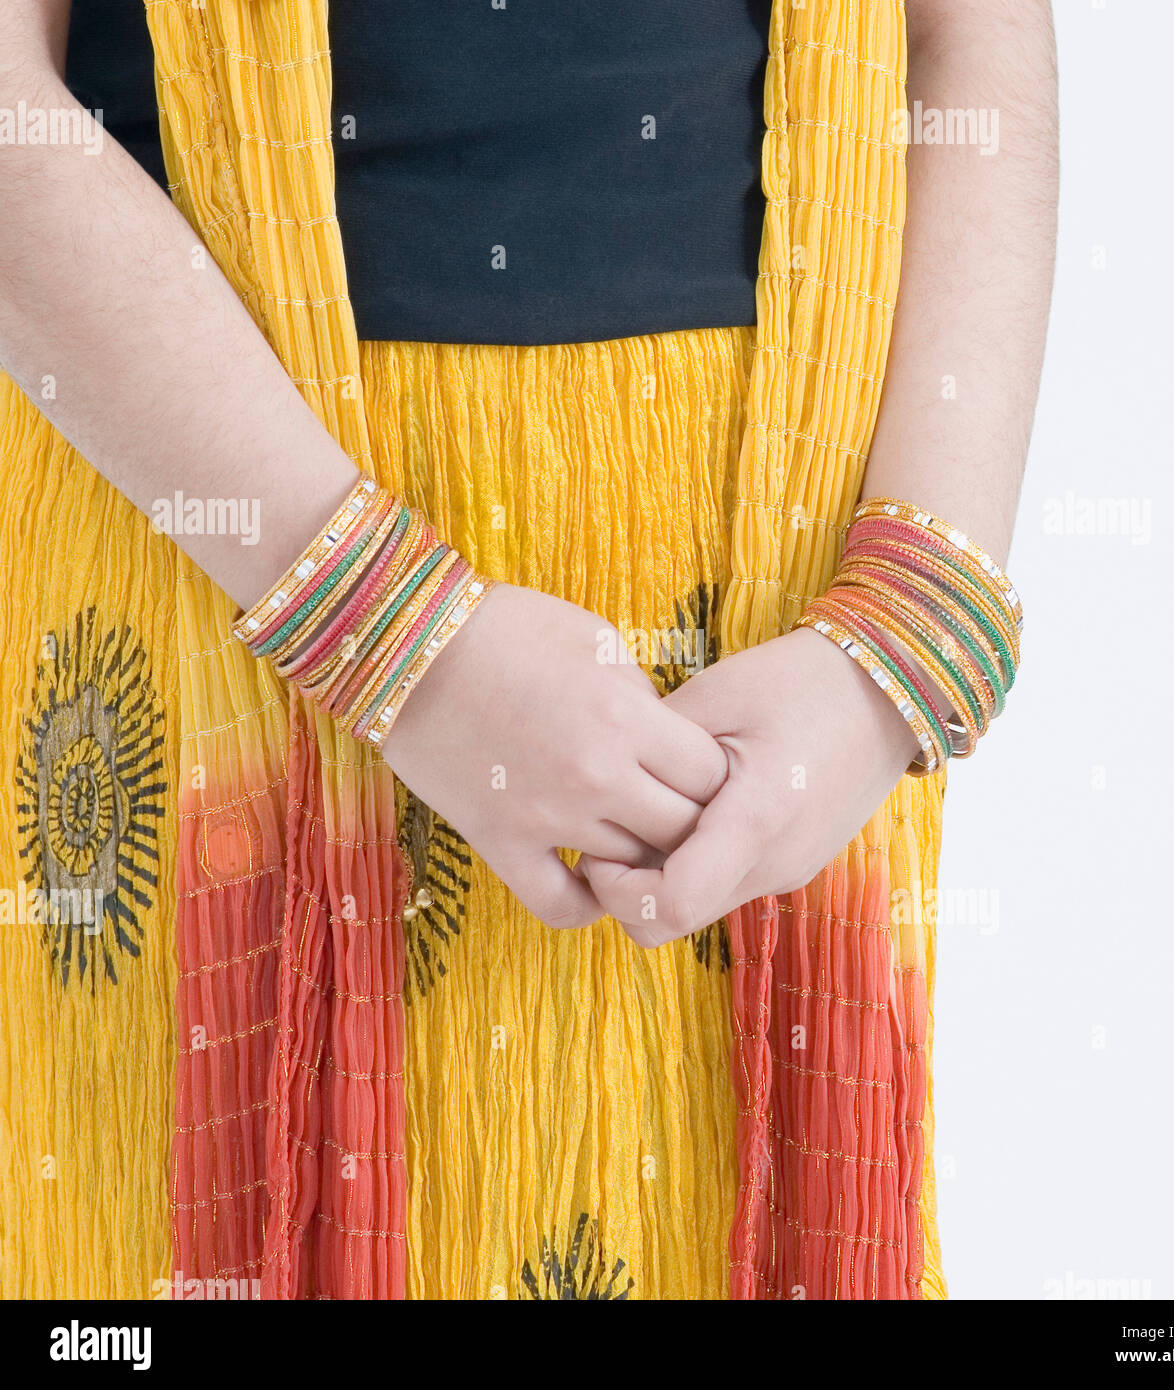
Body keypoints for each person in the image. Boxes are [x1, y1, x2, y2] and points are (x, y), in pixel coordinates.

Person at [0, 0, 1057, 1299]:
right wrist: (399, 640)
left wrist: (894, 647)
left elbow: (971, 41)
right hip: (222, 557)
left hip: (766, 638)